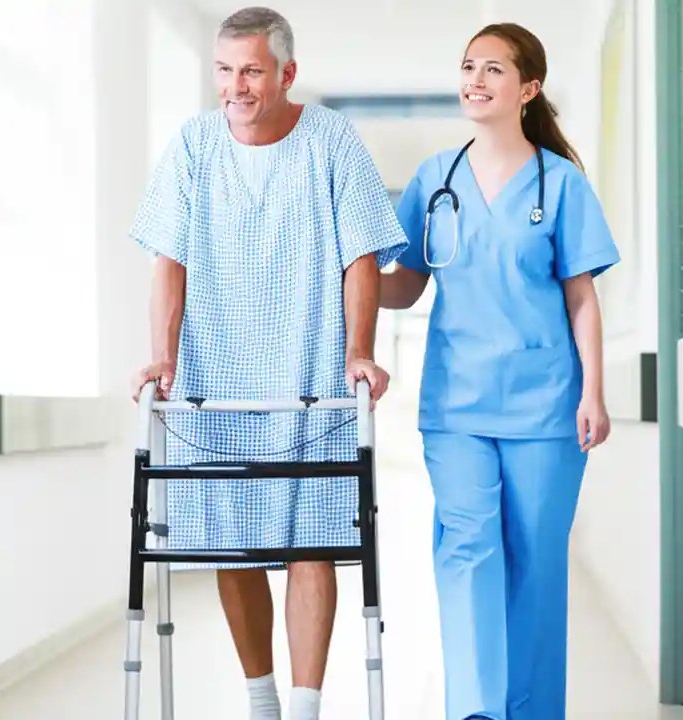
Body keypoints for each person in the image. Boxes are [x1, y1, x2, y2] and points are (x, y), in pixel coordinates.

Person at [129, 7, 407, 720]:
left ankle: (308, 706)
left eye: (251, 70)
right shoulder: (192, 146)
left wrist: (357, 350)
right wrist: (163, 356)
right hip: (218, 372)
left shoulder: (332, 140)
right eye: (224, 70)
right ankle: (262, 700)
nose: (235, 86)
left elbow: (362, 257)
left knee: (312, 540)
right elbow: (170, 260)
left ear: (286, 72)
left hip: (311, 366)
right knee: (237, 543)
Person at [380, 22, 620, 720]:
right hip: (456, 406)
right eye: (467, 67)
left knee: (534, 570)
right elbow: (406, 285)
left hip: (547, 406)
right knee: (468, 549)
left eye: (493, 69)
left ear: (529, 88)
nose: (475, 80)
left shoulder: (561, 183)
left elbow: (582, 298)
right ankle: (477, 710)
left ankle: (532, 711)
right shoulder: (435, 179)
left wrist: (595, 394)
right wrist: (353, 280)